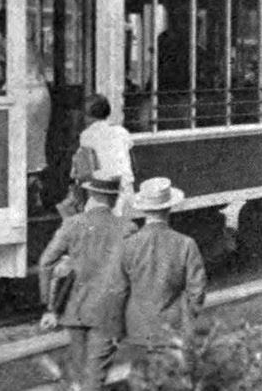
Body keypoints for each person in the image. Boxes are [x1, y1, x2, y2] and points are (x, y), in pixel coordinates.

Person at [37, 172, 138, 391]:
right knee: (94, 377)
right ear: (115, 198)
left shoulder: (72, 224)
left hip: (75, 310)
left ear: (91, 195)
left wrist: (49, 307)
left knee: (81, 375)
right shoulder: (128, 228)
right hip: (108, 313)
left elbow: (45, 263)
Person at [110, 178, 206, 375]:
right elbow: (197, 290)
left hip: (136, 330)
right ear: (169, 208)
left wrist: (116, 328)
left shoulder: (128, 245)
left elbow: (117, 290)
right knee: (174, 380)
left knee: (143, 380)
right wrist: (187, 318)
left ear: (144, 210)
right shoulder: (186, 244)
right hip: (172, 328)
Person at [76, 94, 135, 216]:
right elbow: (132, 162)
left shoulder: (87, 135)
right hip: (126, 187)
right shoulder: (122, 131)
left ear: (87, 116)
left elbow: (88, 169)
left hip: (105, 190)